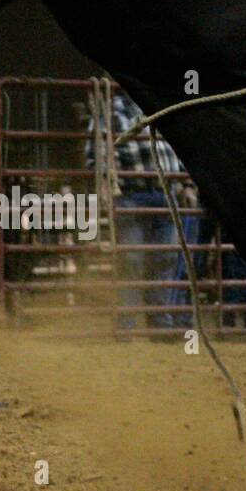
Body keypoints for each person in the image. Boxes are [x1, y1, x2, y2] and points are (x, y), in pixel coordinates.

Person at [85, 91, 197, 331]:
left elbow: (182, 146)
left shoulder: (160, 104)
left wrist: (187, 183)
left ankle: (159, 322)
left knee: (165, 258)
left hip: (166, 193)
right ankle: (128, 323)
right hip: (130, 194)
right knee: (132, 259)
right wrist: (106, 181)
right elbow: (96, 151)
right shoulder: (109, 109)